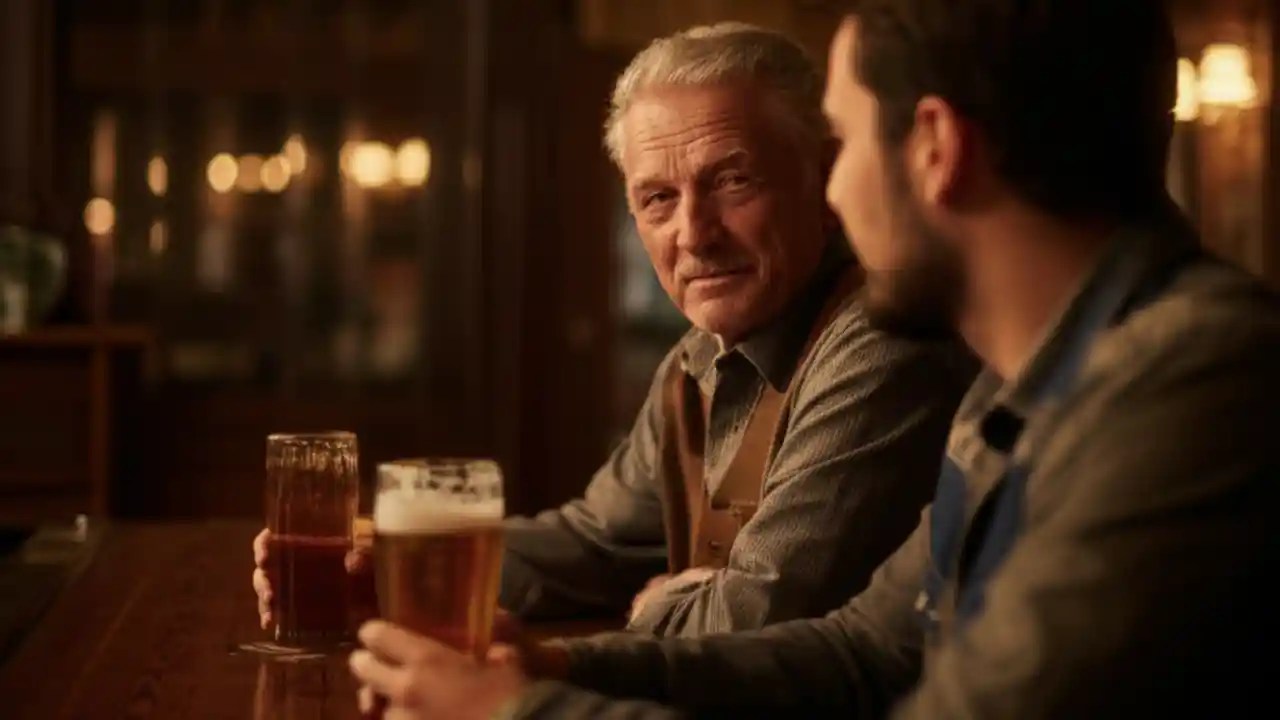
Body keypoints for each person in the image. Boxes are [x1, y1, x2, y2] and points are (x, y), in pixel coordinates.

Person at [346, 0, 1280, 717]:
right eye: (657, 197)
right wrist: (553, 664)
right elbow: (861, 651)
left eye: (842, 145)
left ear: (934, 151)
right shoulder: (1022, 378)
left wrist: (523, 712)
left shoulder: (1196, 382)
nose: (836, 190)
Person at [254, 23, 972, 639]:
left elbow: (759, 618)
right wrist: (384, 563)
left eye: (732, 182)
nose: (694, 234)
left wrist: (658, 608)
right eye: (657, 199)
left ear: (823, 180)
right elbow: (593, 543)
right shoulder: (694, 362)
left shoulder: (883, 343)